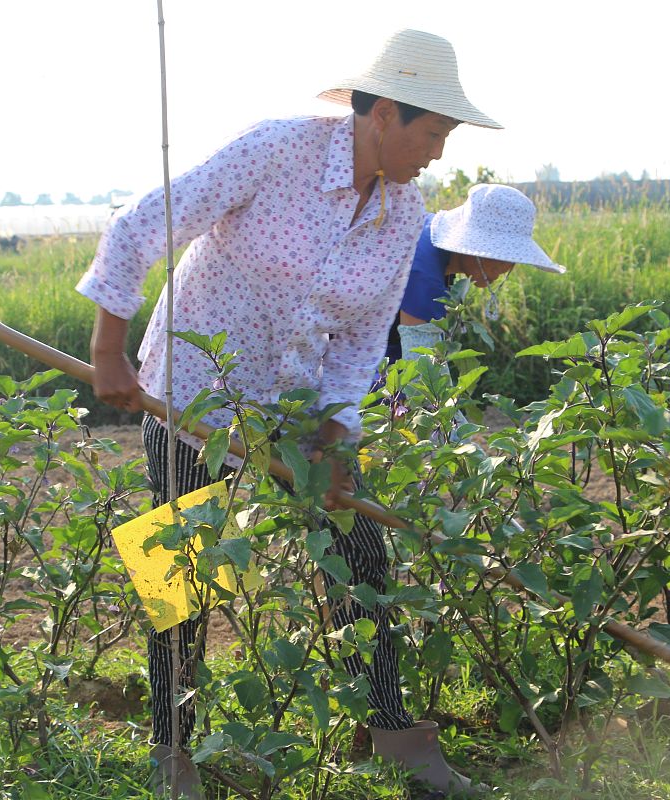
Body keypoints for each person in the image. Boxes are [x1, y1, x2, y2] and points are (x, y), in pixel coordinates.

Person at [76, 29, 499, 798]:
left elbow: (366, 335)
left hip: (299, 412)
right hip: (194, 390)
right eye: (433, 131)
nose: (438, 152)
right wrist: (110, 347)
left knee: (364, 558)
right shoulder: (275, 152)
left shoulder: (405, 211)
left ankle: (396, 742)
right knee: (183, 571)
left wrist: (336, 436)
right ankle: (172, 752)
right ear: (384, 116)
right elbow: (143, 224)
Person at [387, 182, 564, 372]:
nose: (508, 267)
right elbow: (420, 369)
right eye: (503, 256)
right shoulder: (423, 271)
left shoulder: (436, 251)